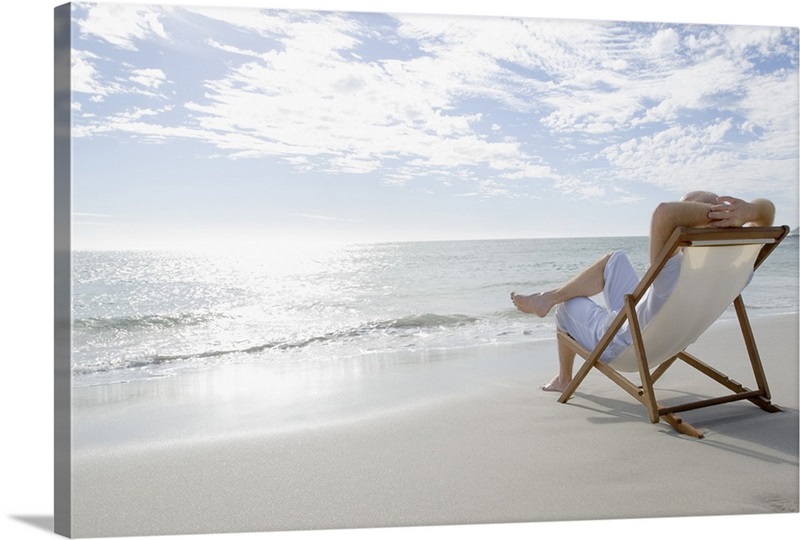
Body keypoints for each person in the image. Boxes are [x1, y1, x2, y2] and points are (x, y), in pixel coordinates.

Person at [510, 192, 776, 393]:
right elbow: (768, 212)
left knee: (565, 306)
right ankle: (547, 297)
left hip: (624, 345)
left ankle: (563, 375)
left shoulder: (672, 272)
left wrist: (714, 213)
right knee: (615, 259)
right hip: (664, 338)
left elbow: (664, 213)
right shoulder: (741, 268)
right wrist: (748, 211)